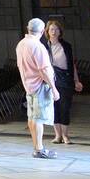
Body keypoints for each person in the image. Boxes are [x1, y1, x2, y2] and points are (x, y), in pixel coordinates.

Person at [16, 18, 60, 158]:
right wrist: (54, 88)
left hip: (28, 85)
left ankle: (36, 146)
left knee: (32, 118)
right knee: (39, 119)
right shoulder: (37, 46)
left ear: (28, 29)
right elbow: (44, 70)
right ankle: (39, 149)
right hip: (39, 85)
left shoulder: (21, 44)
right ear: (42, 31)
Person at [41, 19, 82, 144]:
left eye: (56, 29)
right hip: (50, 81)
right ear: (47, 32)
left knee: (65, 107)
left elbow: (71, 65)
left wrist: (76, 80)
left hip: (65, 80)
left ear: (60, 32)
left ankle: (65, 135)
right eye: (51, 29)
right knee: (54, 108)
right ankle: (57, 135)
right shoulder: (44, 47)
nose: (54, 32)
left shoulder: (66, 46)